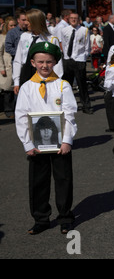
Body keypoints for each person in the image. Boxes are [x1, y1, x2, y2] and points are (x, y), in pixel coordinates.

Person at [14, 41, 78, 235]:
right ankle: (41, 218)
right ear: (32, 62)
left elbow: (69, 114)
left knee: (63, 179)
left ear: (54, 63)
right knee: (38, 181)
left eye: (49, 62)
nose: (44, 66)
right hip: (37, 144)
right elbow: (21, 116)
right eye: (40, 62)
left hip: (59, 143)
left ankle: (65, 216)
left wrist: (67, 140)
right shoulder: (27, 87)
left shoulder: (63, 85)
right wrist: (27, 142)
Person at [12, 9, 63, 95]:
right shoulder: (24, 37)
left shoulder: (51, 39)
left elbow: (57, 63)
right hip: (26, 74)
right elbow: (18, 60)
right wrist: (16, 81)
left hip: (43, 74)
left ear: (36, 22)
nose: (25, 23)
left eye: (28, 20)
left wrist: (56, 83)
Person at [60, 12, 92, 114]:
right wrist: (66, 57)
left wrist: (84, 57)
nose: (73, 20)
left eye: (76, 18)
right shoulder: (64, 30)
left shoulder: (84, 30)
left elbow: (87, 46)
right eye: (71, 18)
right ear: (68, 19)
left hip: (79, 59)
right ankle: (66, 106)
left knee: (82, 84)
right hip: (68, 59)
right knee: (66, 84)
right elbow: (64, 45)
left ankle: (86, 106)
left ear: (79, 20)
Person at [0, 16, 17, 118]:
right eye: (11, 25)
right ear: (7, 26)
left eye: (15, 25)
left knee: (15, 88)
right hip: (7, 66)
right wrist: (1, 67)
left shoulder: (17, 35)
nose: (13, 27)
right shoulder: (2, 37)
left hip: (16, 64)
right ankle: (8, 110)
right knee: (7, 90)